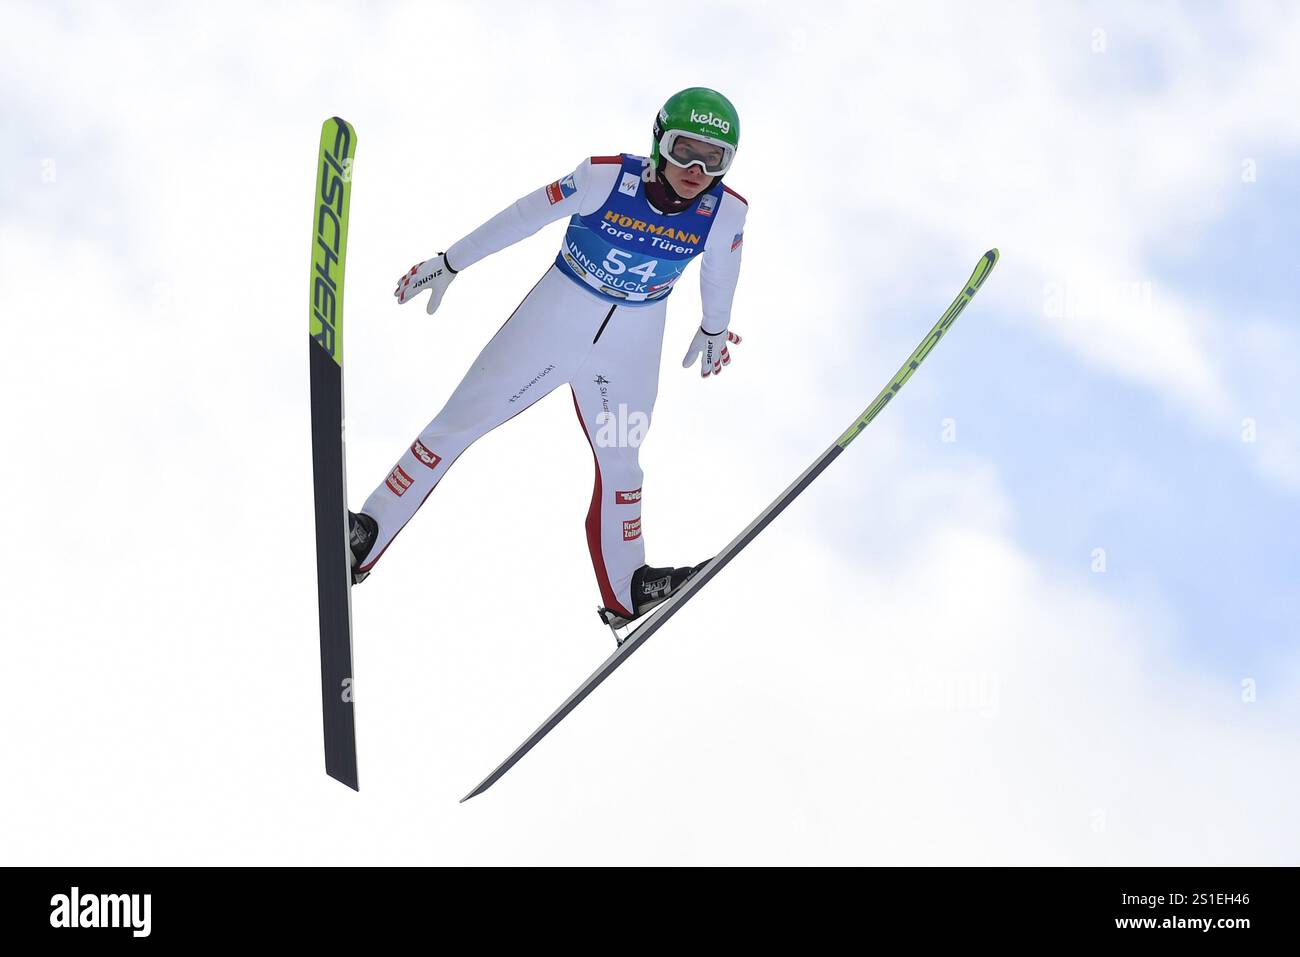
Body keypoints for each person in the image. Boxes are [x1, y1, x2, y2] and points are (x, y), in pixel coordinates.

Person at [348, 87, 748, 628]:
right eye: (684, 150)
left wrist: (715, 328)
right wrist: (451, 262)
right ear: (658, 142)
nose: (696, 169)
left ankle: (630, 590)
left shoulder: (725, 212)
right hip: (557, 317)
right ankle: (366, 533)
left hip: (632, 342)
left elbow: (720, 272)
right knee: (455, 425)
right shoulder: (604, 178)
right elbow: (522, 217)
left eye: (714, 158)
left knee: (623, 462)